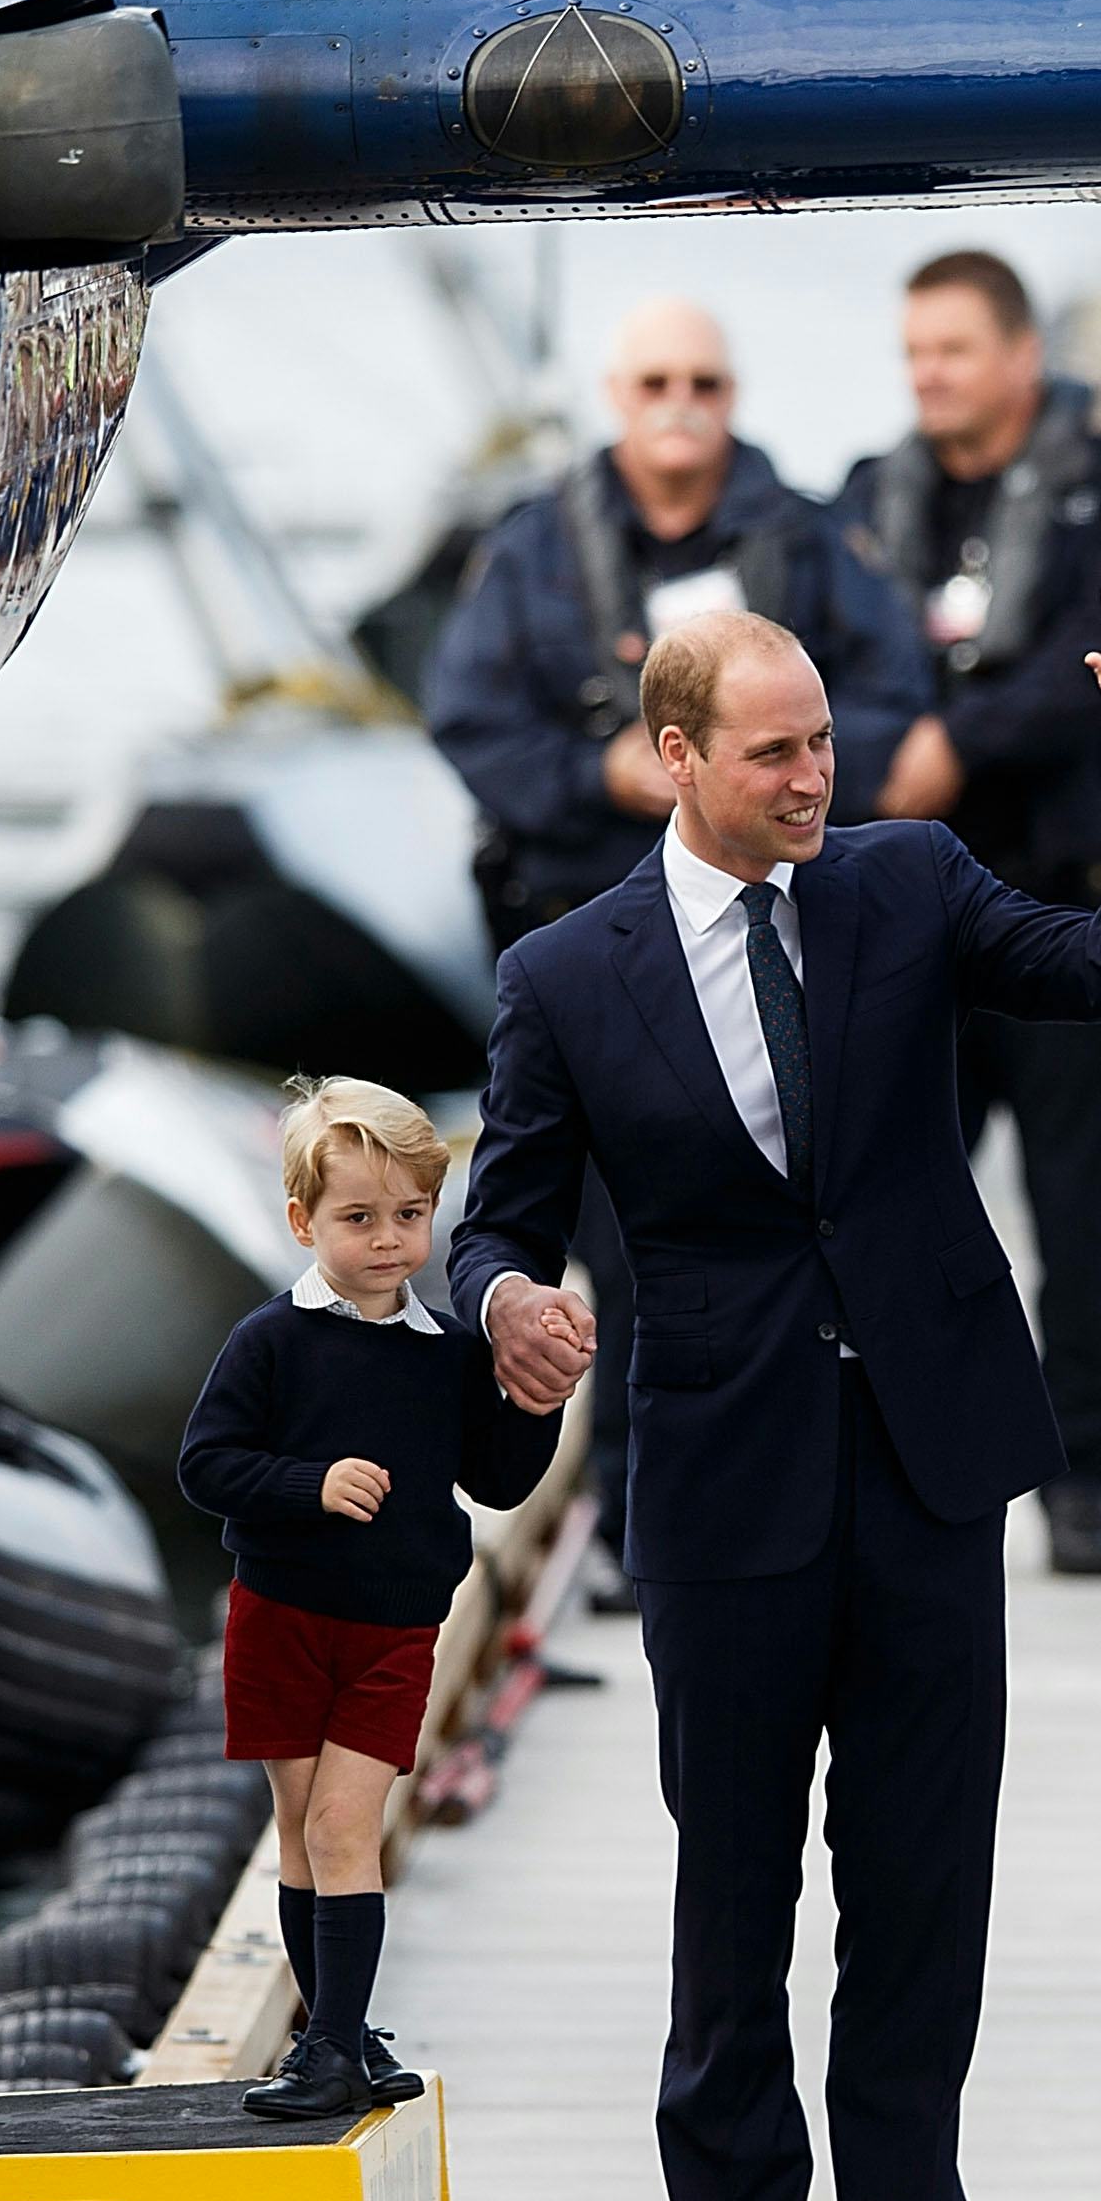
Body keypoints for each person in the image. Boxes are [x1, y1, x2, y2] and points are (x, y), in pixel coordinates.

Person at [446, 582, 1101, 2201]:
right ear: (676, 758)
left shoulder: (906, 880)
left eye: (824, 744)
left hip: (932, 1472)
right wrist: (503, 1306)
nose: (819, 775)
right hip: (720, 1496)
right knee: (729, 1939)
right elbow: (499, 1216)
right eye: (778, 750)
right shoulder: (565, 974)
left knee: (919, 1926)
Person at [427, 297, 926, 1611]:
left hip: (770, 938)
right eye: (653, 378)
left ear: (734, 389)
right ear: (613, 392)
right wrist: (600, 774)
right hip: (595, 944)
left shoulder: (807, 544)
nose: (679, 403)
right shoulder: (535, 548)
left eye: (704, 377)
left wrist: (770, 782)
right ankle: (631, 1510)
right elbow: (467, 716)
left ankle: (824, 1488)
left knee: (778, 1233)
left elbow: (883, 698)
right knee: (607, 1242)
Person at [837, 250, 1101, 1576]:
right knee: (887, 1210)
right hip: (903, 923)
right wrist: (903, 744)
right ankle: (907, 1457)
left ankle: (1081, 1472)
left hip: (1058, 915)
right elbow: (821, 652)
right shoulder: (870, 498)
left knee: (1074, 1211)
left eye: (954, 349)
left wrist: (956, 743)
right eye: (913, 352)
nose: (929, 375)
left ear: (1020, 354)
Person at [179, 1075, 562, 2120]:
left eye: (410, 1215)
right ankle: (331, 2033)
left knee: (348, 1827)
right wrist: (309, 1483)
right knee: (302, 1829)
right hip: (281, 1618)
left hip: (394, 1627)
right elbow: (206, 1464)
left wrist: (539, 1401)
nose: (389, 1240)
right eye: (358, 1218)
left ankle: (339, 2042)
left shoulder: (447, 1355)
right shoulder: (270, 1341)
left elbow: (499, 1480)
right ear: (303, 1221)